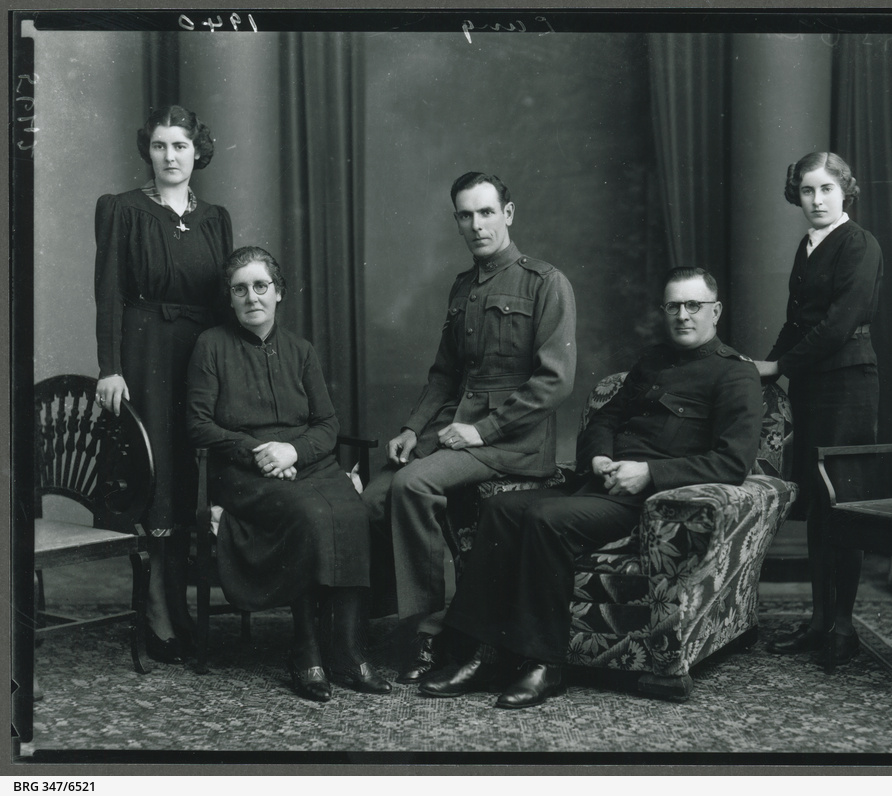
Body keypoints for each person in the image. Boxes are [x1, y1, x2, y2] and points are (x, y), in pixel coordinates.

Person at [418, 267, 762, 708]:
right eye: (673, 306)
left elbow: (732, 462)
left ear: (715, 311)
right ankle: (482, 654)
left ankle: (545, 665)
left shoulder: (736, 376)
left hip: (652, 503)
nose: (682, 315)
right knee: (503, 509)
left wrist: (649, 474)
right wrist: (598, 456)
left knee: (546, 519)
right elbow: (605, 419)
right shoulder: (652, 361)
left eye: (693, 305)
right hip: (599, 484)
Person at [360, 172, 577, 684]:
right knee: (374, 495)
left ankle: (433, 634)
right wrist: (414, 428)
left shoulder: (546, 282)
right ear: (457, 220)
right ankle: (391, 618)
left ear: (508, 213)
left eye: (486, 212)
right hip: (459, 428)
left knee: (414, 484)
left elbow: (555, 381)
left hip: (516, 440)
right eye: (465, 215)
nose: (477, 225)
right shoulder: (464, 288)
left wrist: (485, 431)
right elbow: (445, 374)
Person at [186, 246, 390, 702]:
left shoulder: (300, 350)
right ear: (230, 297)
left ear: (278, 293)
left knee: (354, 513)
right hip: (244, 472)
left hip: (306, 461)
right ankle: (307, 651)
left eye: (261, 287)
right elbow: (198, 424)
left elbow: (328, 423)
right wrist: (258, 450)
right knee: (309, 514)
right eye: (240, 289)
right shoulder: (211, 346)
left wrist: (293, 449)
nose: (251, 297)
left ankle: (352, 653)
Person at [94, 105, 233, 664]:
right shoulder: (122, 210)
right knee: (157, 478)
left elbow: (225, 301)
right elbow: (108, 293)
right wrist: (110, 366)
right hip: (145, 351)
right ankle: (156, 608)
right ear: (147, 151)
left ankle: (176, 603)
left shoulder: (216, 218)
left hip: (199, 354)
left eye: (180, 146)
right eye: (159, 146)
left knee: (188, 477)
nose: (170, 157)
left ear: (198, 150)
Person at [753, 152, 883, 667]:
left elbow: (837, 325)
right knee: (816, 501)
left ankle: (844, 628)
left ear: (844, 191)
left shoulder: (859, 244)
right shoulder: (809, 245)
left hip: (848, 383)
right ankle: (818, 620)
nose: (817, 200)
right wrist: (763, 367)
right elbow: (797, 320)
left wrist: (779, 365)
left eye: (826, 189)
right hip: (812, 382)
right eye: (807, 191)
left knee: (841, 501)